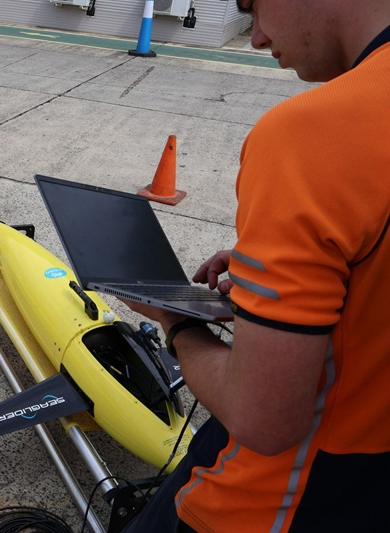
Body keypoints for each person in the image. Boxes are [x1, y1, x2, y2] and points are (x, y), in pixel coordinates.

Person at [121, 1, 390, 531]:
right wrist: (292, 270)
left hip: (288, 500)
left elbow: (263, 419)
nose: (257, 38)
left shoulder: (311, 134)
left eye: (252, 6)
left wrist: (175, 322)